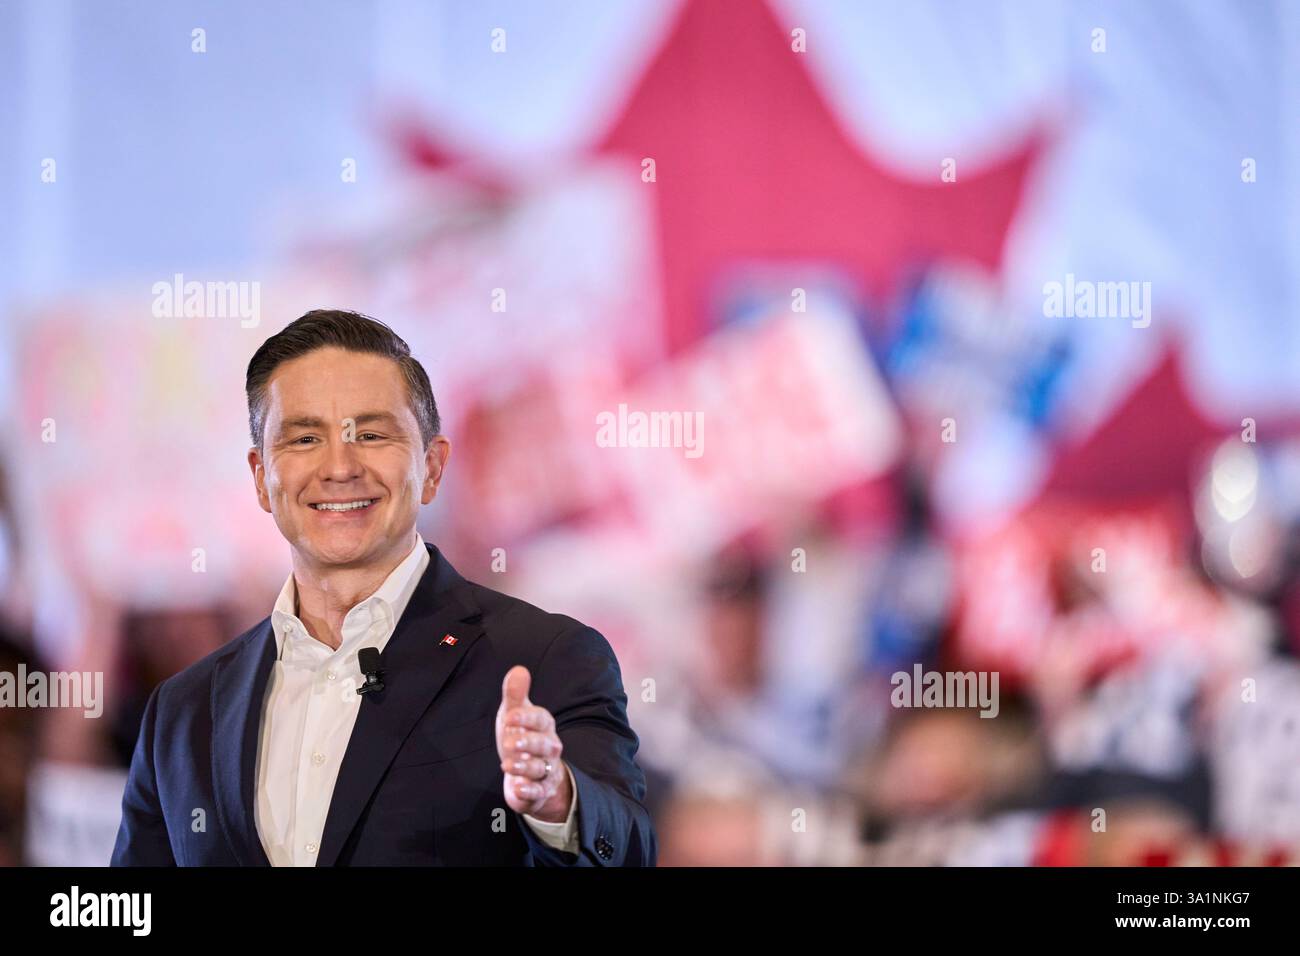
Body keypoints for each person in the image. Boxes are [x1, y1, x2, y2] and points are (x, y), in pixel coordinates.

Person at [111, 309, 655, 866]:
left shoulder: (545, 659)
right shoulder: (182, 713)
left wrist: (557, 802)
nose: (339, 467)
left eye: (370, 434)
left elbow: (628, 849)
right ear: (260, 478)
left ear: (433, 467)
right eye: (303, 438)